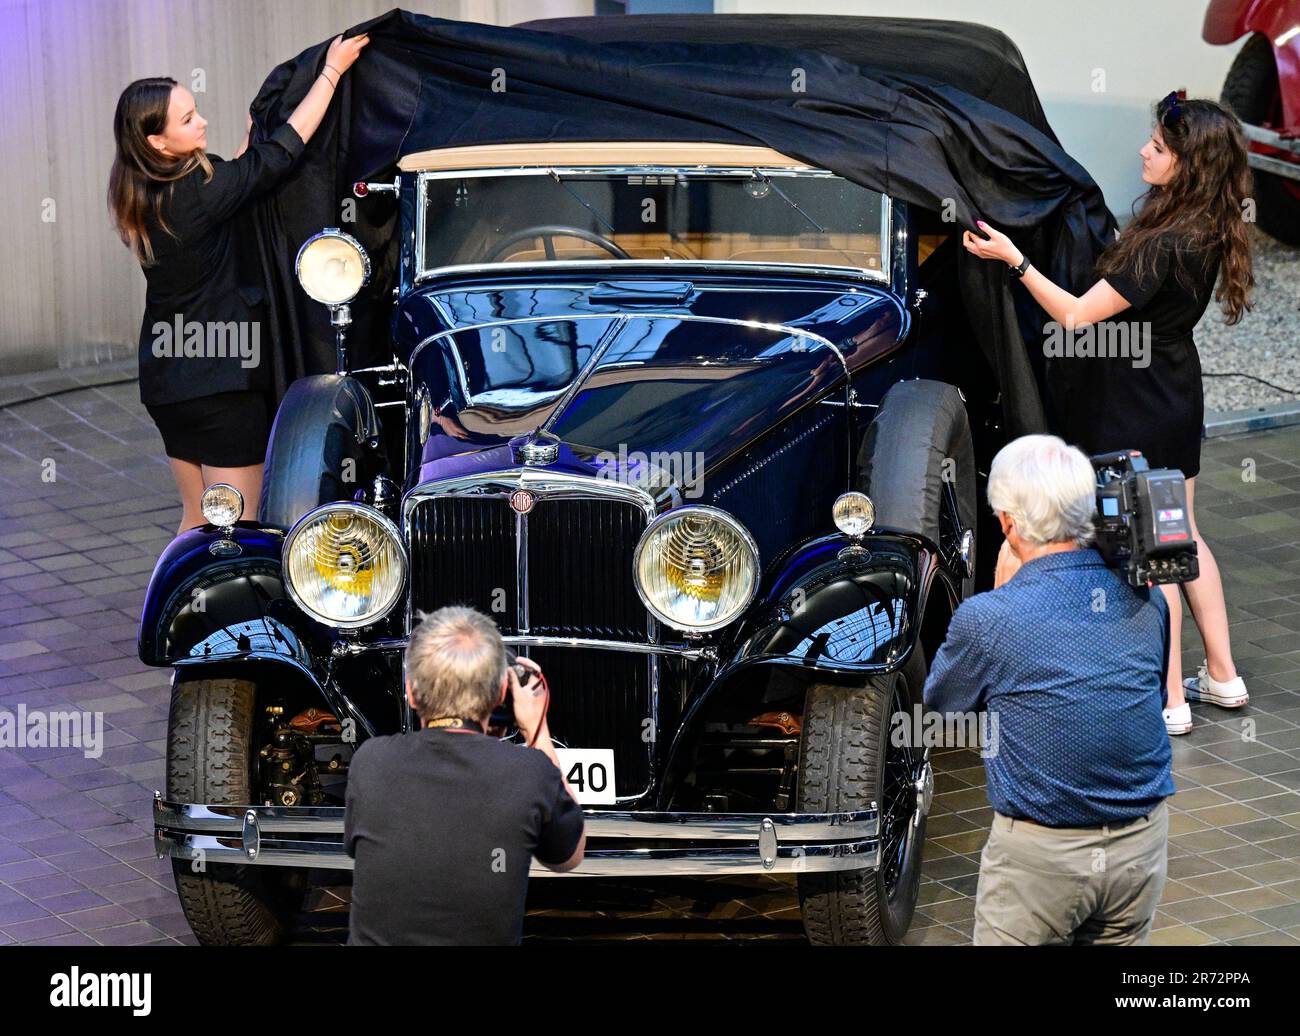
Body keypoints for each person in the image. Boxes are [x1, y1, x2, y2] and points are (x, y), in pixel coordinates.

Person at [962, 92, 1256, 735]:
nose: (1143, 151)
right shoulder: (1209, 223)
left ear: (1187, 163)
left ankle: (1169, 700)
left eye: (1157, 146)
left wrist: (1015, 262)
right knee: (1183, 537)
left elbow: (1072, 315)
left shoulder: (1163, 242)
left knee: (1150, 555)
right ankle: (1225, 676)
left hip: (1131, 402)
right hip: (1173, 391)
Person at [108, 33, 369, 533]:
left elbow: (236, 180)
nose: (201, 120)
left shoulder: (139, 194)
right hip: (220, 382)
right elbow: (285, 152)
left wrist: (252, 137)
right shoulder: (200, 191)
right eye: (187, 120)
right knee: (240, 529)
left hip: (170, 380)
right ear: (157, 143)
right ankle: (233, 611)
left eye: (195, 109)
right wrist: (331, 72)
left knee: (196, 519)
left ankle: (171, 611)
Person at [924, 434, 1175, 946]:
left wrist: (1000, 595)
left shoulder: (990, 618)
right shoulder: (1148, 602)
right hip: (1141, 845)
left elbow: (942, 713)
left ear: (1009, 525)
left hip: (1041, 859)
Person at [344, 606, 586, 946]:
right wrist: (537, 729)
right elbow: (569, 857)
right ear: (501, 694)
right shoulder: (530, 772)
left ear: (411, 692)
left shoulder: (370, 761)